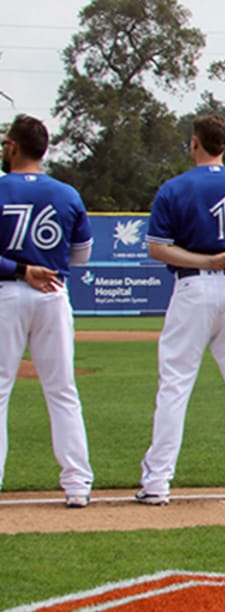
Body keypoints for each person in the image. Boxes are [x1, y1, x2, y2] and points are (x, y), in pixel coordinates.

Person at [137, 114, 225, 505]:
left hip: (193, 286)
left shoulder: (174, 188)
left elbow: (158, 248)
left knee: (175, 385)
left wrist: (204, 258)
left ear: (195, 142)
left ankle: (158, 482)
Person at [0, 115, 94, 507]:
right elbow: (82, 253)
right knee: (62, 391)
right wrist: (46, 269)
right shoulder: (67, 193)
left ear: (13, 147)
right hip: (54, 294)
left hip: (7, 293)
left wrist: (21, 269)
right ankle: (77, 485)